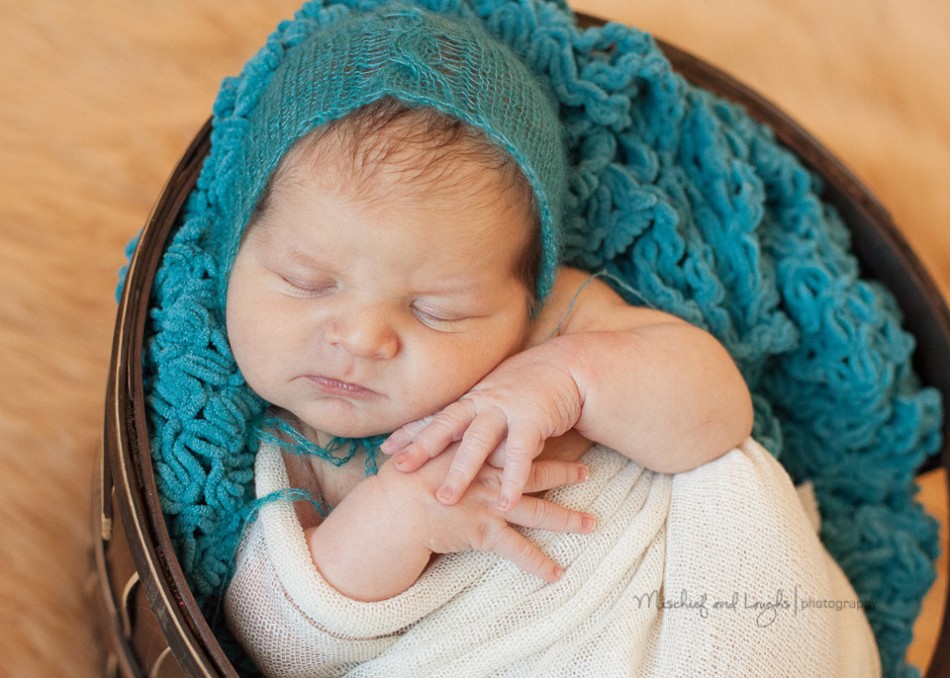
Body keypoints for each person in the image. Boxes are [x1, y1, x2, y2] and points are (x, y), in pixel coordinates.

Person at [220, 3, 879, 676]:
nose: (361, 338)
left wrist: (570, 379)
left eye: (436, 310)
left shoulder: (553, 324)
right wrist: (397, 518)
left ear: (524, 291)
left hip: (705, 609)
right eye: (306, 282)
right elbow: (271, 643)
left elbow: (717, 417)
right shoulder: (297, 448)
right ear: (234, 250)